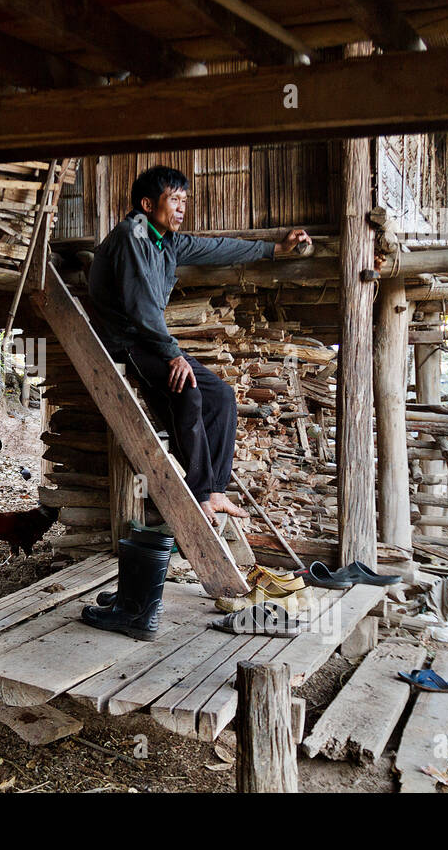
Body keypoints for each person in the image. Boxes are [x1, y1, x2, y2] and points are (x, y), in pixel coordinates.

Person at [80, 164, 310, 639]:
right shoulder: (133, 235)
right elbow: (143, 309)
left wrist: (274, 249)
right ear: (148, 205)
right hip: (130, 343)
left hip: (151, 340)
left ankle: (213, 490)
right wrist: (172, 354)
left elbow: (219, 247)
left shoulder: (167, 240)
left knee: (222, 396)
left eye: (185, 200)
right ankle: (203, 495)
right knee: (186, 391)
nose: (183, 207)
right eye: (174, 199)